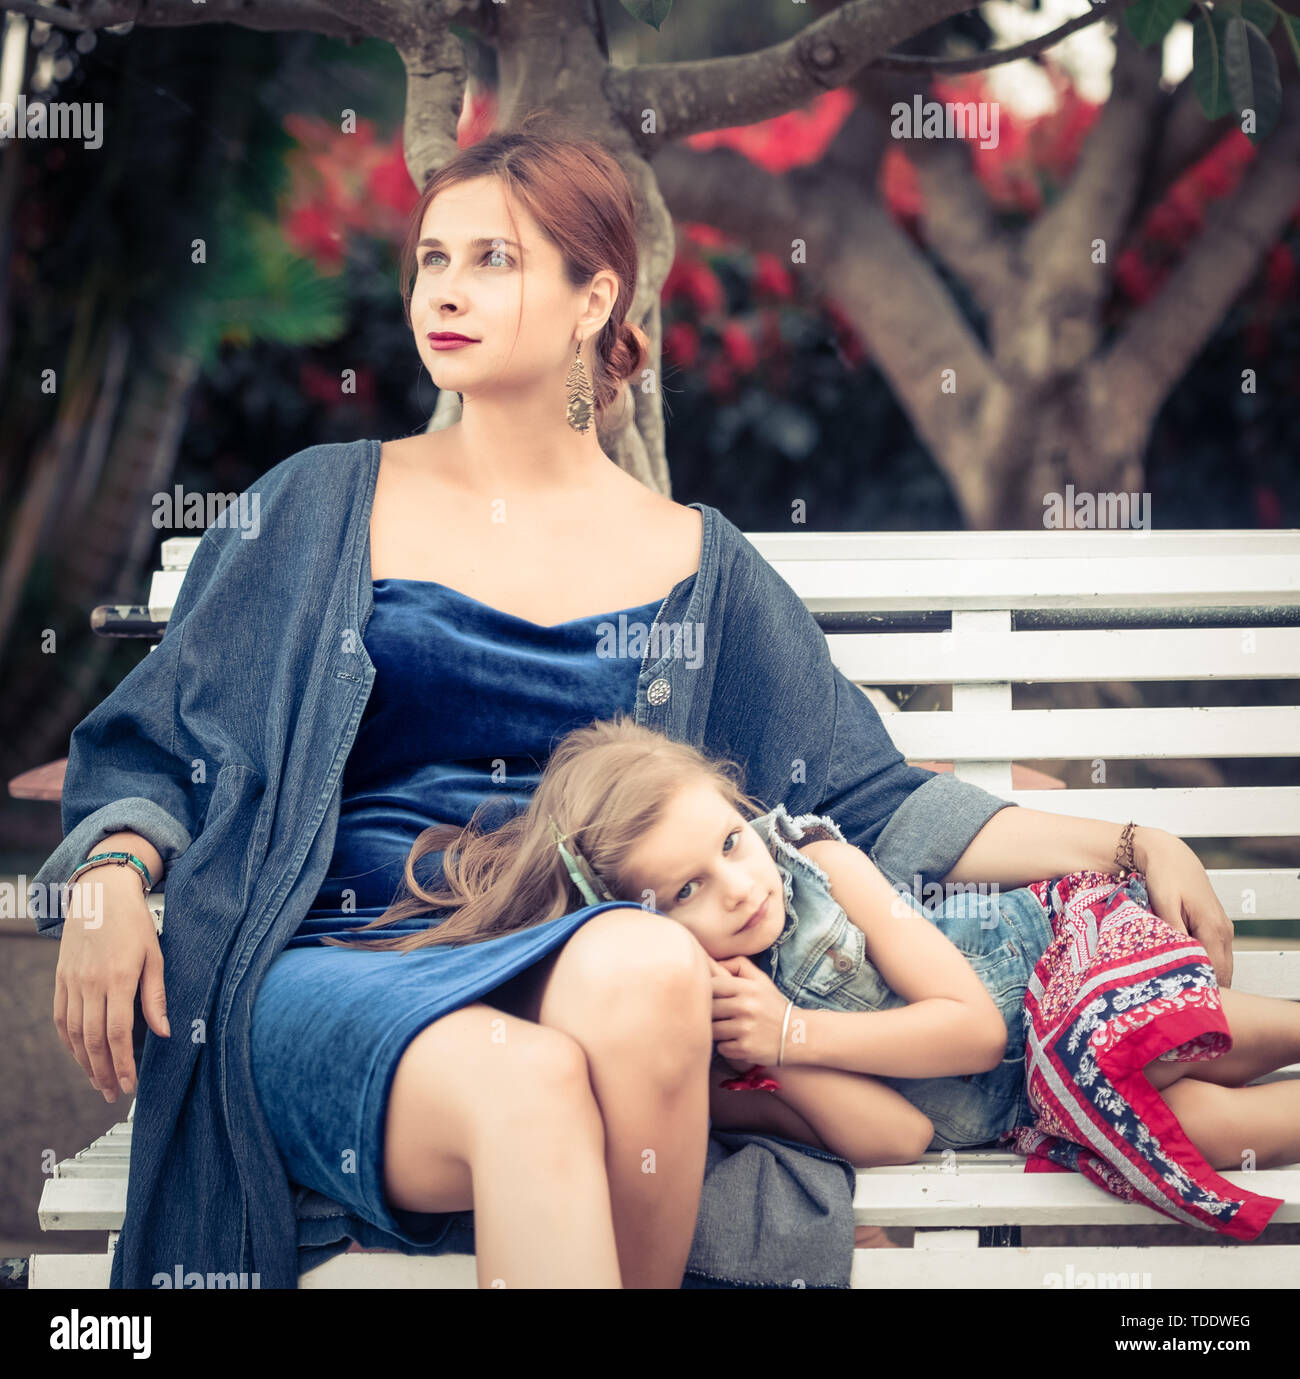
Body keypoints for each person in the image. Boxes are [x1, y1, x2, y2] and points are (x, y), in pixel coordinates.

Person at [32, 118, 1236, 1290]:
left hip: (567, 955)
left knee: (654, 968)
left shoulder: (695, 562)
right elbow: (158, 738)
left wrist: (1129, 836)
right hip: (332, 961)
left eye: (492, 260)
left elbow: (870, 795)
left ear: (595, 297)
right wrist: (112, 868)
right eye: (431, 260)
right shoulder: (318, 504)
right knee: (527, 1082)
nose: (442, 291)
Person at [387, 713, 1289, 1239]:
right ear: (637, 925)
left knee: (1182, 1040)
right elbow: (899, 1134)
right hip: (1035, 1103)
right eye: (688, 890)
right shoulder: (714, 1037)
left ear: (747, 813)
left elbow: (972, 1024)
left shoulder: (824, 868)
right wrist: (767, 1055)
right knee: (1202, 1125)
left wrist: (795, 1031)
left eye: (731, 842)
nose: (740, 888)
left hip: (1057, 974)